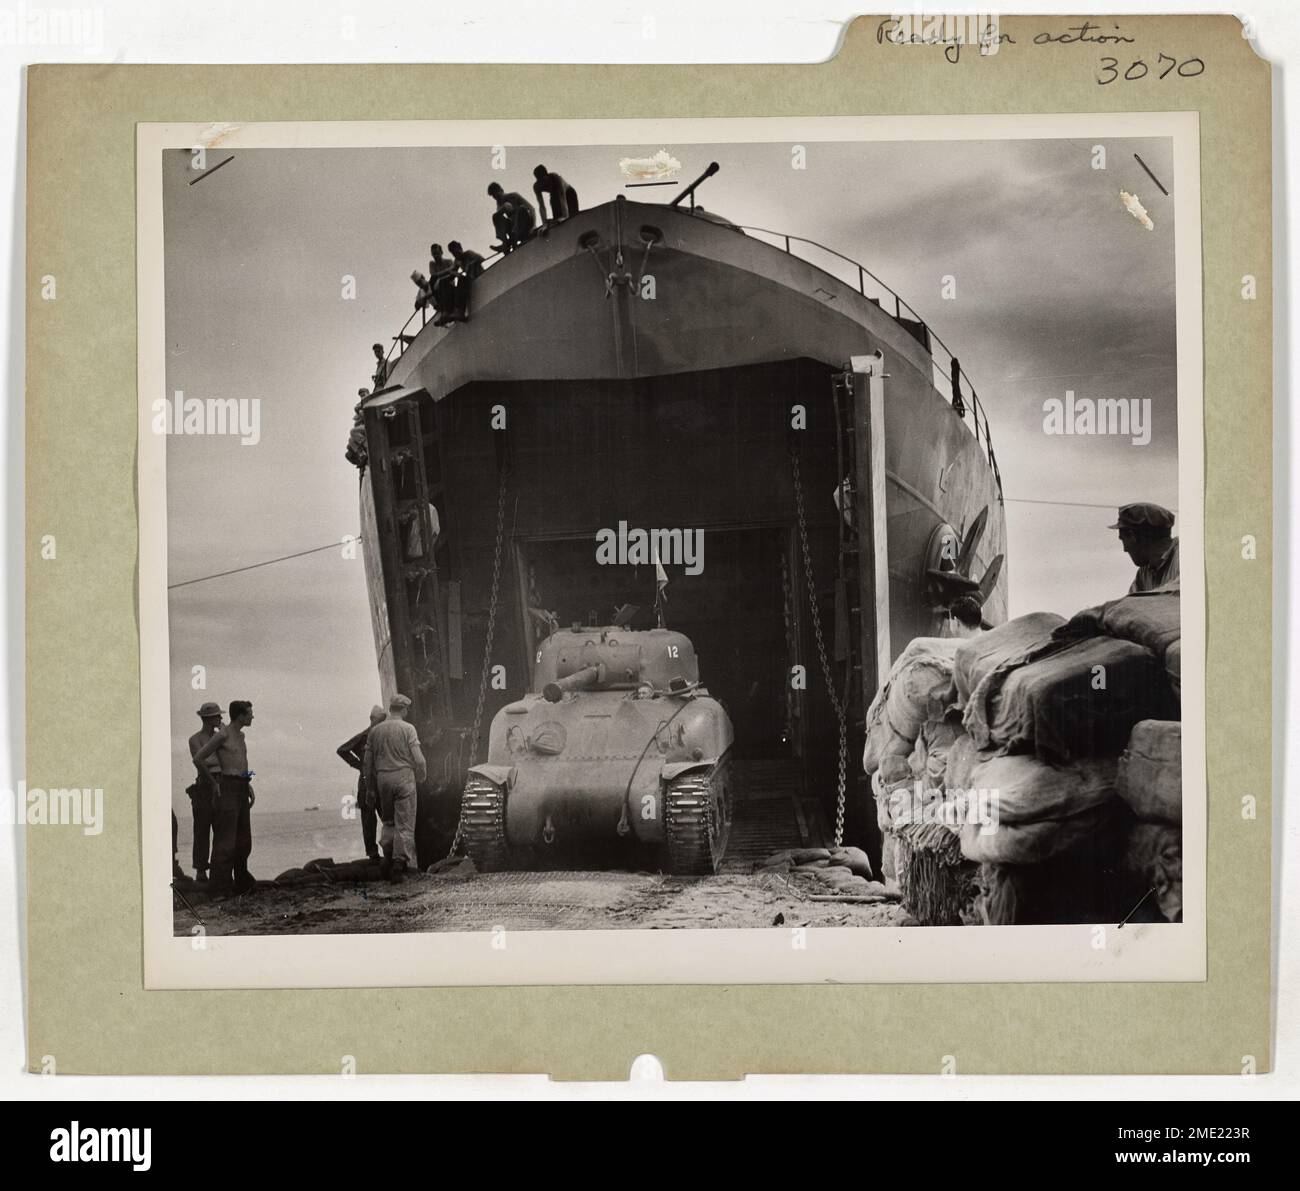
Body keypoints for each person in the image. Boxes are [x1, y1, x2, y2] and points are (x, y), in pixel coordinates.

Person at [193, 700, 257, 895]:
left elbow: (240, 763)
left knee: (244, 840)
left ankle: (241, 881)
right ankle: (220, 887)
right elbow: (198, 759)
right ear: (240, 716)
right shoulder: (223, 734)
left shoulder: (241, 735)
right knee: (225, 842)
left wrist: (248, 784)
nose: (252, 716)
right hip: (227, 787)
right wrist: (214, 783)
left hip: (242, 787)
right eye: (249, 713)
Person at [362, 694, 427, 881]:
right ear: (404, 710)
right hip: (403, 777)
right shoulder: (408, 728)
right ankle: (399, 865)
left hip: (383, 779)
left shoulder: (376, 731)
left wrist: (370, 788)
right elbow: (419, 759)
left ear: (390, 709)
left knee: (388, 821)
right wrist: (421, 776)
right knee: (404, 823)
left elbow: (367, 764)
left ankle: (387, 859)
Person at [337, 705, 387, 860]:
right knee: (368, 819)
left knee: (386, 818)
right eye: (379, 720)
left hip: (381, 782)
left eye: (383, 721)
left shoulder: (383, 738)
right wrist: (359, 765)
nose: (381, 723)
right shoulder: (362, 737)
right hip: (366, 783)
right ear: (372, 719)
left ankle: (389, 851)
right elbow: (342, 750)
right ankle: (372, 854)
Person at [186, 701, 224, 881]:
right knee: (202, 828)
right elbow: (200, 763)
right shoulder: (195, 739)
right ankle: (201, 870)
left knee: (221, 828)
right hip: (204, 785)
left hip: (221, 781)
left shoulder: (221, 738)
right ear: (209, 719)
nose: (221, 718)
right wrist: (212, 782)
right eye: (217, 716)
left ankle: (218, 869)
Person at [1111, 502, 1179, 593]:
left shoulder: (1184, 558)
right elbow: (1131, 604)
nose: (1125, 549)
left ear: (1132, 537)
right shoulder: (1143, 574)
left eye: (1123, 539)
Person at [438, 241, 485, 325]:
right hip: (468, 280)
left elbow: (481, 258)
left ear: (460, 249)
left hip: (476, 276)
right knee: (444, 282)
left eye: (456, 252)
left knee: (461, 279)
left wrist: (471, 264)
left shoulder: (468, 254)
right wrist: (453, 273)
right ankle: (446, 311)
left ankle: (460, 311)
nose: (455, 255)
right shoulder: (457, 260)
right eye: (453, 253)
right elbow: (452, 270)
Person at [486, 181, 536, 253]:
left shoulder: (513, 196)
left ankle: (513, 238)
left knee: (521, 209)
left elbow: (531, 209)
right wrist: (501, 211)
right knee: (496, 216)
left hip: (525, 224)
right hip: (514, 229)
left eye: (497, 195)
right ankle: (505, 243)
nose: (497, 198)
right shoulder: (499, 204)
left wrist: (533, 226)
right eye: (494, 197)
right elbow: (499, 221)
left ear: (501, 190)